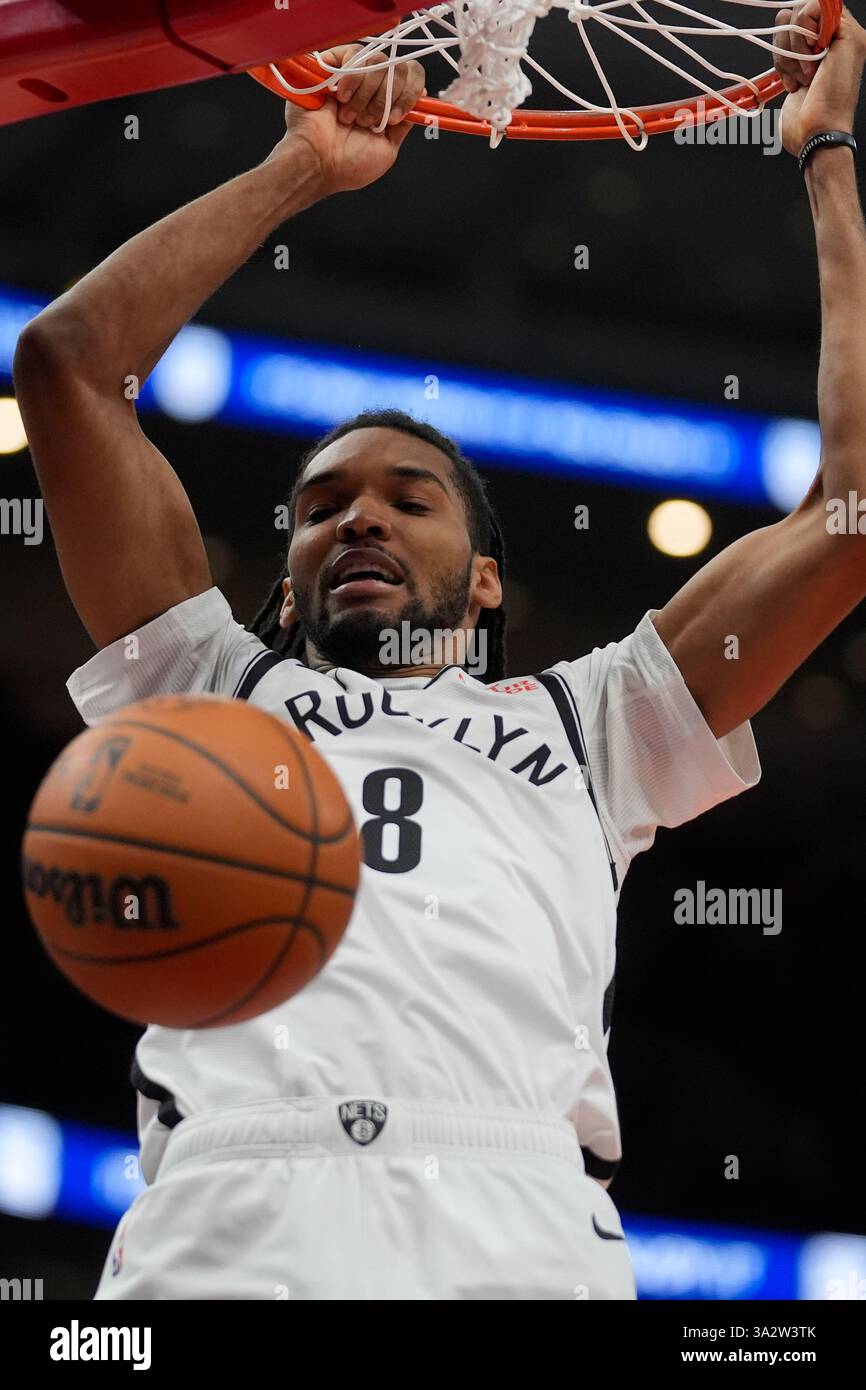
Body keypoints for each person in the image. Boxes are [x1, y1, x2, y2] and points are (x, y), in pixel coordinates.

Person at [13, 4, 866, 1300]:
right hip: (229, 1210)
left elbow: (848, 513)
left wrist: (826, 155)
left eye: (406, 497)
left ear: (481, 582)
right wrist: (296, 169)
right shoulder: (209, 683)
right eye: (315, 506)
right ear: (287, 583)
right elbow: (68, 365)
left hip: (514, 1212)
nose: (354, 512)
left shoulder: (599, 719)